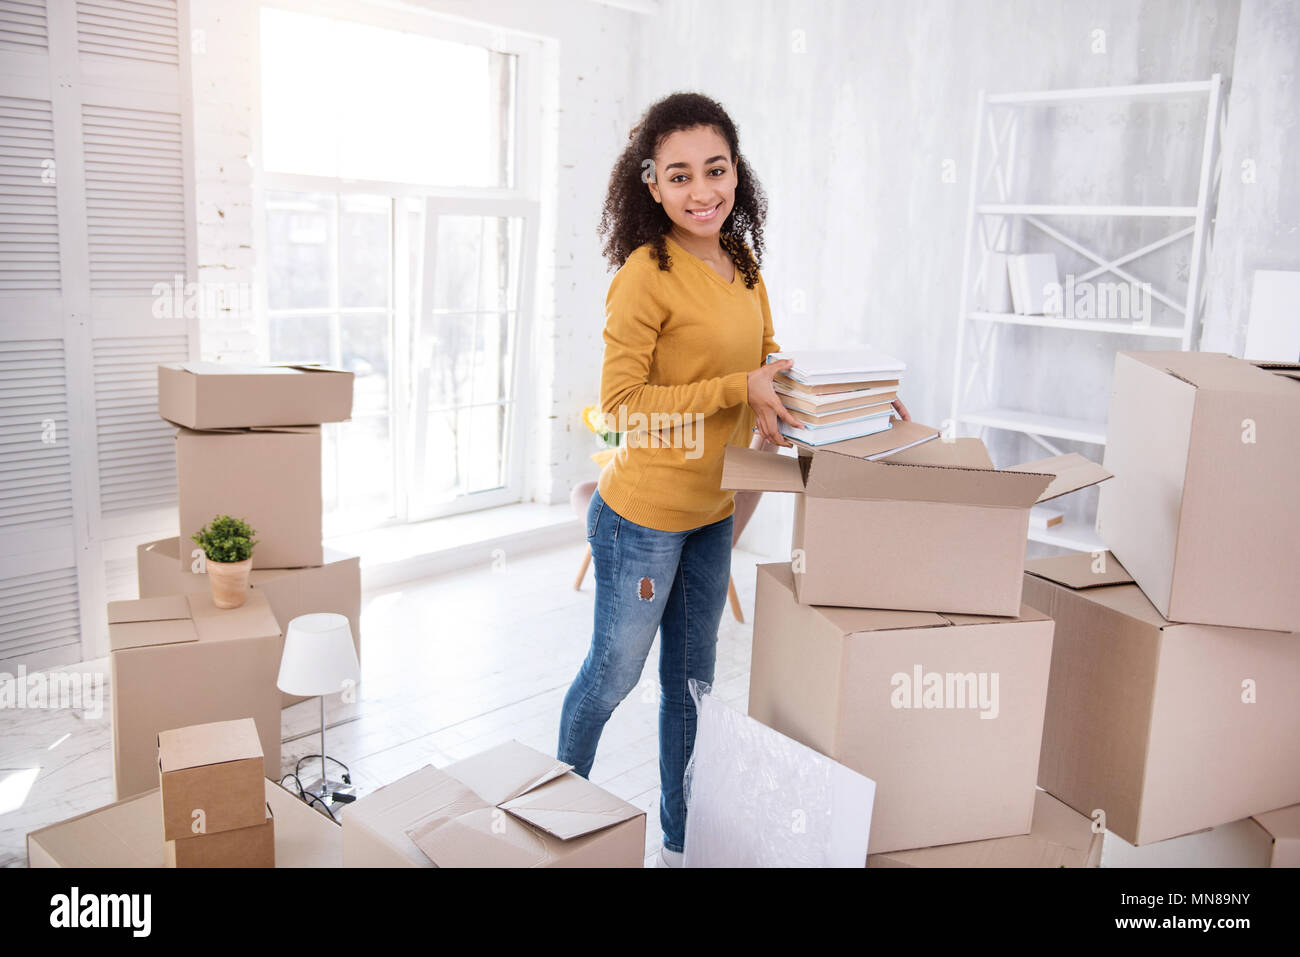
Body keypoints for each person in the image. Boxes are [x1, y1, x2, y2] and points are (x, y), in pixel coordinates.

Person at [556, 92, 904, 867]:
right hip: (641, 517)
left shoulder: (742, 264)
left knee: (692, 689)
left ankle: (683, 842)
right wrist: (731, 390)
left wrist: (856, 395)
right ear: (651, 184)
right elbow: (619, 410)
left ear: (736, 172)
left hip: (713, 510)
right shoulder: (644, 275)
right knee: (612, 679)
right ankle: (550, 815)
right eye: (679, 176)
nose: (702, 190)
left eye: (716, 170)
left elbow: (768, 359)